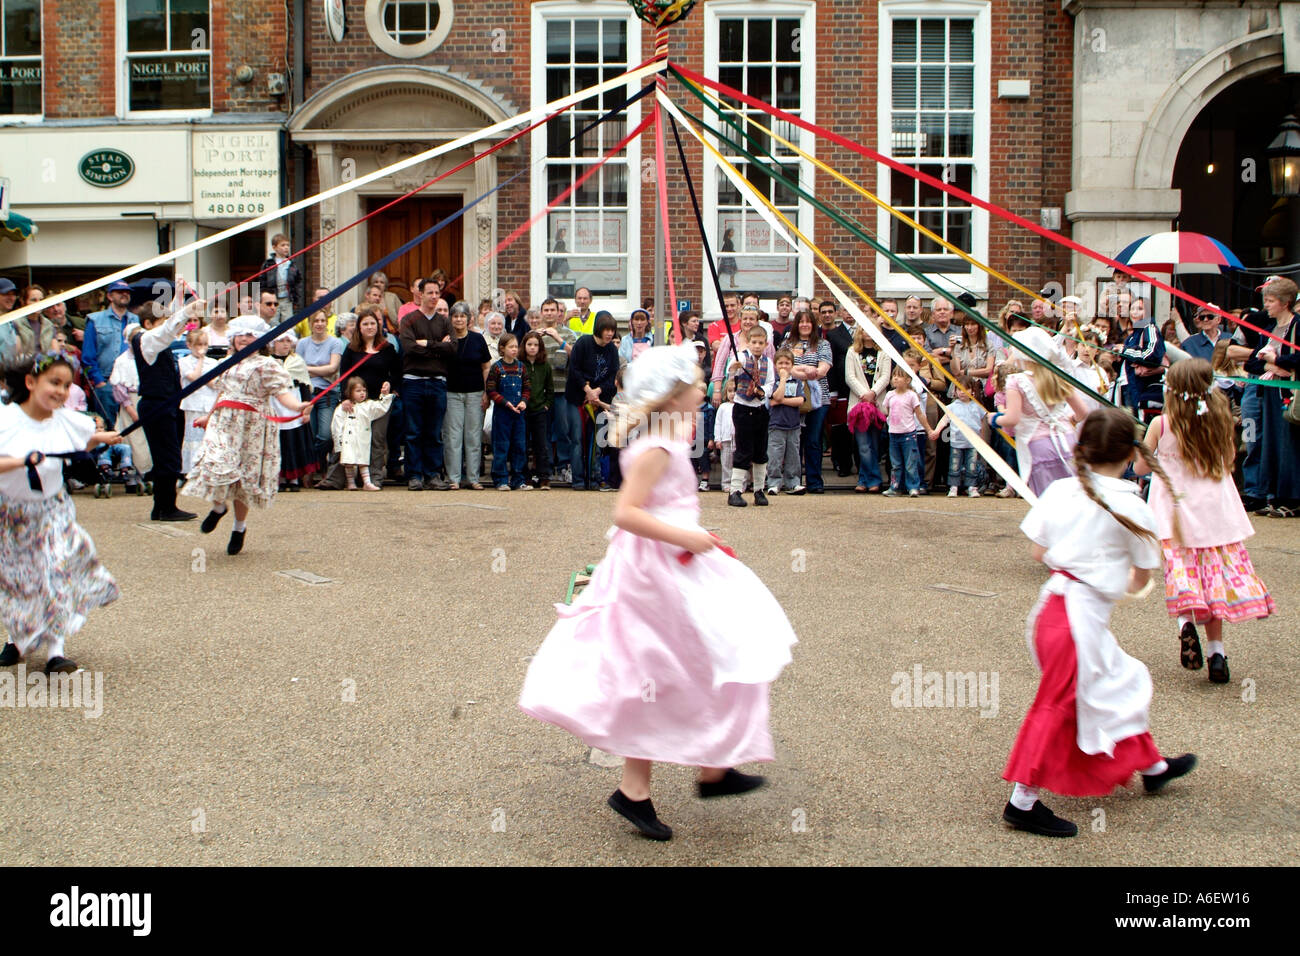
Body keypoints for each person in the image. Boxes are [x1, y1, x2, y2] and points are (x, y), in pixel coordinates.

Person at [518, 344, 797, 841]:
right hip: (653, 574)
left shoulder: (669, 439)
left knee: (710, 653)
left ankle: (700, 768)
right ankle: (662, 781)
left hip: (677, 563)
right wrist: (687, 535)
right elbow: (626, 512)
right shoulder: (656, 448)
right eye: (694, 386)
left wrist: (695, 532)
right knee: (668, 668)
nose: (702, 392)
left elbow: (669, 501)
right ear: (671, 396)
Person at [1000, 408, 1197, 838]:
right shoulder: (1131, 504)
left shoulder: (1060, 491)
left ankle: (1153, 766)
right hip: (1078, 622)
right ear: (1130, 454)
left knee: (1120, 681)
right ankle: (1022, 801)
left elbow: (1038, 553)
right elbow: (1141, 577)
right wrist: (1110, 577)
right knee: (1061, 704)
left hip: (1053, 611)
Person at [1135, 359, 1274, 684]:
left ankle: (1185, 625)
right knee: (1213, 581)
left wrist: (1144, 449)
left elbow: (1141, 468)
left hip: (1175, 514)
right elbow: (1228, 462)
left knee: (1183, 575)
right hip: (1213, 516)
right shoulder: (1221, 421)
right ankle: (1216, 652)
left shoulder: (1162, 424)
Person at [0, 353, 123, 674]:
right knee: (19, 581)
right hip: (10, 516)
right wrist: (21, 461)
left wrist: (103, 437)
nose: (61, 391)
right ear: (30, 382)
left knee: (55, 572)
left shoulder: (65, 418)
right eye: (54, 382)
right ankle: (16, 640)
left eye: (67, 385)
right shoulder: (7, 419)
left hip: (52, 512)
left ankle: (56, 651)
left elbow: (82, 437)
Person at [183, 317, 311, 555]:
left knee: (243, 480)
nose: (244, 338)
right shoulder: (227, 362)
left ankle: (239, 528)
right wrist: (209, 416)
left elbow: (283, 394)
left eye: (250, 335)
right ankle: (219, 507)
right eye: (240, 334)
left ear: (260, 340)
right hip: (224, 422)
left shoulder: (267, 365)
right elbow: (222, 394)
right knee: (215, 463)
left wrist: (297, 407)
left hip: (253, 425)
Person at [990, 328, 1089, 496]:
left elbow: (1012, 418)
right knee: (1073, 497)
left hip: (1038, 446)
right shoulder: (1058, 377)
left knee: (1047, 500)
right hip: (1067, 440)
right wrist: (1069, 418)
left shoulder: (1016, 381)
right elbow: (1083, 412)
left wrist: (993, 419)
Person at [131, 301, 198, 521]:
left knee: (168, 456)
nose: (169, 328)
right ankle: (166, 507)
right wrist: (187, 311)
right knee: (167, 457)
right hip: (157, 404)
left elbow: (168, 328)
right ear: (148, 324)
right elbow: (168, 329)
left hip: (168, 404)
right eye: (161, 322)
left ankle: (161, 506)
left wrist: (178, 297)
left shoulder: (155, 340)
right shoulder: (147, 341)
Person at [1250, 276, 1300, 516]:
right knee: (1271, 444)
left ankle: (1292, 498)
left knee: (1289, 444)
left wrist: (1277, 360)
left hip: (1289, 392)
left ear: (1285, 302)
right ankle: (1273, 494)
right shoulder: (1269, 330)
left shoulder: (1298, 326)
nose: (1266, 305)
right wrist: (1271, 366)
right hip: (1269, 392)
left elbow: (1296, 358)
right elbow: (1253, 363)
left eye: (1270, 301)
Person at [398, 280, 455, 491]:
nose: (433, 296)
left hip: (437, 383)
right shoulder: (409, 320)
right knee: (413, 431)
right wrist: (439, 347)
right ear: (420, 294)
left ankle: (433, 474)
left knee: (433, 432)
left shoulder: (444, 322)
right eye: (429, 292)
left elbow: (453, 349)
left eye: (436, 293)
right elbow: (409, 348)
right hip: (413, 382)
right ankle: (414, 475)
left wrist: (428, 344)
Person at [566, 312, 619, 491]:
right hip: (577, 397)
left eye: (612, 330)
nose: (610, 334)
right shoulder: (583, 343)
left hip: (599, 399)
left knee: (596, 439)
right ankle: (578, 479)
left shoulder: (612, 349)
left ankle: (594, 478)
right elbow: (574, 369)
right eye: (607, 330)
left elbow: (613, 374)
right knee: (577, 438)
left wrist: (597, 391)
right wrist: (587, 389)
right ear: (599, 329)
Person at [440, 301, 490, 491]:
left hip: (475, 393)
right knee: (452, 437)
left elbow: (486, 367)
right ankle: (453, 478)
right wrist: (442, 347)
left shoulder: (478, 339)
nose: (459, 319)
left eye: (462, 316)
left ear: (468, 319)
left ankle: (473, 478)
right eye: (455, 316)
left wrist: (487, 392)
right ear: (450, 319)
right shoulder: (445, 340)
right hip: (451, 393)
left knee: (473, 436)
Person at [725, 325, 774, 508]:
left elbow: (770, 383)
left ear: (766, 344)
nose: (757, 346)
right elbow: (733, 370)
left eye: (761, 343)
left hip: (760, 409)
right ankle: (735, 491)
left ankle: (759, 490)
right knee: (743, 449)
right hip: (743, 408)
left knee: (760, 451)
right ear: (748, 342)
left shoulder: (768, 363)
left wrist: (764, 391)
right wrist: (734, 367)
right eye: (754, 342)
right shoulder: (742, 357)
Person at [786, 311, 832, 494]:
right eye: (801, 322)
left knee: (813, 440)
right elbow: (784, 366)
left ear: (814, 324)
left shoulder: (823, 344)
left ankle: (815, 482)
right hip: (793, 398)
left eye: (808, 322)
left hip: (818, 399)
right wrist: (806, 370)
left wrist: (799, 370)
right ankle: (794, 481)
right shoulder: (787, 344)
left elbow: (823, 370)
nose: (804, 325)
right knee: (795, 441)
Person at [80, 280, 133, 432]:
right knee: (107, 429)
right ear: (110, 296)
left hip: (130, 385)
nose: (125, 294)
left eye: (127, 292)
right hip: (106, 382)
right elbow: (88, 356)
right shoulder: (95, 320)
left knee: (130, 429)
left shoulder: (135, 320)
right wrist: (99, 382)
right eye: (119, 292)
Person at [296, 310, 345, 472]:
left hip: (327, 394)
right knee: (311, 433)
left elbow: (332, 368)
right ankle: (314, 467)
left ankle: (318, 463)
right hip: (307, 393)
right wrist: (320, 369)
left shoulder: (335, 343)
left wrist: (309, 369)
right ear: (310, 323)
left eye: (323, 320)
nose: (319, 324)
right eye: (316, 320)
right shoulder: (302, 343)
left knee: (325, 435)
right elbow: (297, 370)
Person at [270, 331, 317, 492]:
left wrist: (306, 411)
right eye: (280, 341)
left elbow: (305, 385)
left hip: (294, 399)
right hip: (275, 403)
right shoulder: (268, 363)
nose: (284, 344)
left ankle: (294, 478)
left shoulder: (297, 362)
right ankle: (280, 477)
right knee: (280, 442)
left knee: (294, 441)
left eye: (287, 341)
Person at [844, 323, 889, 493]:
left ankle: (864, 478)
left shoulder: (884, 352)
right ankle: (875, 478)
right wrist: (864, 394)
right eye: (865, 329)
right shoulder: (852, 352)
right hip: (859, 404)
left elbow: (885, 376)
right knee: (863, 445)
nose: (868, 333)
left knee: (874, 444)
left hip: (877, 404)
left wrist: (873, 393)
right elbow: (850, 377)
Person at [332, 378, 394, 491]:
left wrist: (385, 395)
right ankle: (350, 482)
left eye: (364, 390)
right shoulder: (344, 408)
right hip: (348, 439)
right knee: (348, 461)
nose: (362, 393)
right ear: (350, 392)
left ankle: (367, 482)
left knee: (363, 460)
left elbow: (380, 408)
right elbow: (337, 424)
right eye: (358, 390)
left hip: (362, 439)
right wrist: (338, 441)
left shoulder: (368, 406)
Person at [930, 375, 987, 497]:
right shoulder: (952, 406)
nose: (962, 392)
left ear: (972, 390)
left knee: (971, 465)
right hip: (957, 442)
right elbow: (944, 420)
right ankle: (953, 486)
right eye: (959, 389)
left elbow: (982, 423)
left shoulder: (977, 406)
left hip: (973, 442)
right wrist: (937, 431)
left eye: (966, 389)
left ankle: (972, 486)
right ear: (955, 391)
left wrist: (983, 440)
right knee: (954, 465)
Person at [486, 334, 530, 491]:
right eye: (511, 347)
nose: (514, 350)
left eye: (516, 347)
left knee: (519, 446)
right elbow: (491, 389)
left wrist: (524, 401)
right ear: (502, 349)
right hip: (502, 413)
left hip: (519, 413)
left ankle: (518, 479)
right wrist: (505, 402)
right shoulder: (496, 367)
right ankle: (500, 479)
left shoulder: (521, 367)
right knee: (501, 446)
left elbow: (527, 387)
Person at [881, 366, 928, 497]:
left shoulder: (912, 395)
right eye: (894, 375)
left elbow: (919, 414)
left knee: (910, 463)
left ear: (907, 380)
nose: (895, 378)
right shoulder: (890, 394)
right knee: (896, 464)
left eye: (899, 376)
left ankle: (913, 487)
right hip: (894, 433)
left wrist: (927, 429)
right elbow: (887, 412)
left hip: (908, 434)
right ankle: (895, 487)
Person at [179, 327, 219, 475]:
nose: (202, 349)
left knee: (209, 437)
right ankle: (191, 469)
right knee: (193, 436)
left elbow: (215, 384)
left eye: (204, 345)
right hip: (193, 404)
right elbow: (194, 378)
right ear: (189, 345)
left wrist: (206, 377)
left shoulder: (213, 362)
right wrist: (201, 360)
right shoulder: (184, 361)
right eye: (198, 345)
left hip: (209, 404)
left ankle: (209, 468)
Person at [765, 348, 804, 496]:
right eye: (780, 363)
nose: (784, 366)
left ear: (792, 365)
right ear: (775, 365)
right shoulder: (773, 381)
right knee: (775, 455)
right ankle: (774, 482)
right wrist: (782, 379)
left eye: (787, 363)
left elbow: (799, 400)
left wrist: (782, 401)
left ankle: (793, 482)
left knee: (793, 455)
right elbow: (775, 398)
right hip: (776, 424)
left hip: (793, 424)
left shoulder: (797, 381)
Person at [521, 331, 554, 489]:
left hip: (540, 410)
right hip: (523, 410)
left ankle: (544, 477)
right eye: (529, 345)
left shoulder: (545, 366)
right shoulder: (520, 364)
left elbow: (550, 389)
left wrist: (546, 404)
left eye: (536, 345)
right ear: (524, 346)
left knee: (541, 444)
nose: (532, 348)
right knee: (524, 443)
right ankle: (525, 476)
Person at [261, 234, 303, 324]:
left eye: (288, 245)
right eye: (283, 245)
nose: (286, 248)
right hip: (273, 297)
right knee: (272, 322)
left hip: (287, 298)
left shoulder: (292, 263)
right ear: (274, 247)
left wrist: (296, 298)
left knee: (288, 322)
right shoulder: (268, 264)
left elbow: (298, 282)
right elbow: (262, 281)